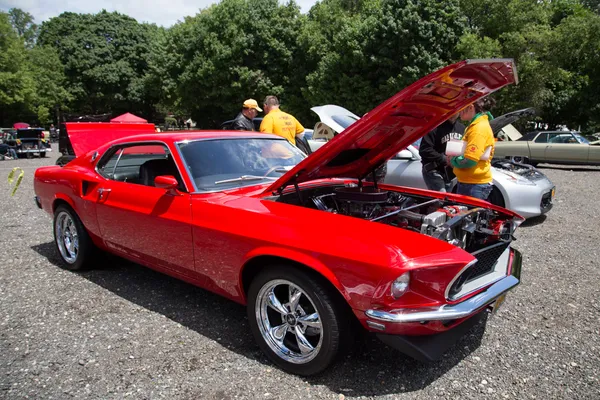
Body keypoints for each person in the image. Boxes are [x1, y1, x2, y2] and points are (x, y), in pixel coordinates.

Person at [451, 97, 496, 200]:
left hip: (473, 185)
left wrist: (453, 161)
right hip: (471, 183)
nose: (459, 111)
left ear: (471, 107)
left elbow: (470, 160)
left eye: (461, 108)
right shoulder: (475, 125)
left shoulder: (478, 128)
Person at [419, 113, 465, 192]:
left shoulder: (462, 129)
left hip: (450, 172)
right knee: (441, 198)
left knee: (447, 200)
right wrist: (443, 158)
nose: (453, 114)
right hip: (434, 170)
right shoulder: (435, 127)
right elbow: (424, 149)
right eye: (452, 112)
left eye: (456, 112)